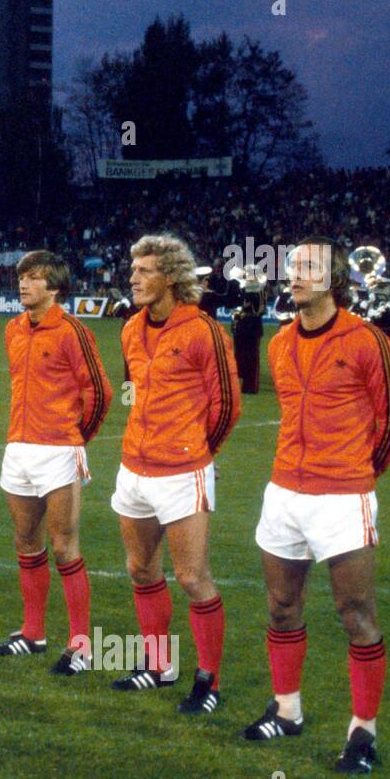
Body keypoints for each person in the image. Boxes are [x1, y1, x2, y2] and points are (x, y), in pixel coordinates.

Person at [242, 237, 390, 774]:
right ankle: (287, 710)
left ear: (335, 280)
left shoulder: (369, 342)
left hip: (343, 496)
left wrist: (357, 475)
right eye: (291, 267)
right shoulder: (280, 344)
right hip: (283, 493)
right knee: (280, 607)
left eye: (307, 268)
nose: (293, 275)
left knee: (355, 614)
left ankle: (363, 732)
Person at [111, 233, 240, 713]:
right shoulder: (129, 329)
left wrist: (200, 451)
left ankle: (210, 680)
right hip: (133, 467)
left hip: (183, 471)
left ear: (171, 277)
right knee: (140, 569)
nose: (134, 278)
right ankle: (158, 665)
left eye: (144, 271)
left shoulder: (203, 331)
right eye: (133, 270)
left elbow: (227, 405)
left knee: (191, 577)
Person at [0, 250, 111, 673]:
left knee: (64, 547)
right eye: (22, 277)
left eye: (35, 278)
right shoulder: (12, 329)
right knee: (26, 543)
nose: (24, 284)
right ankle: (32, 633)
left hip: (58, 449)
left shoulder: (72, 331)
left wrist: (76, 437)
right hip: (18, 447)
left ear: (55, 286)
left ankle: (81, 645)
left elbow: (99, 391)